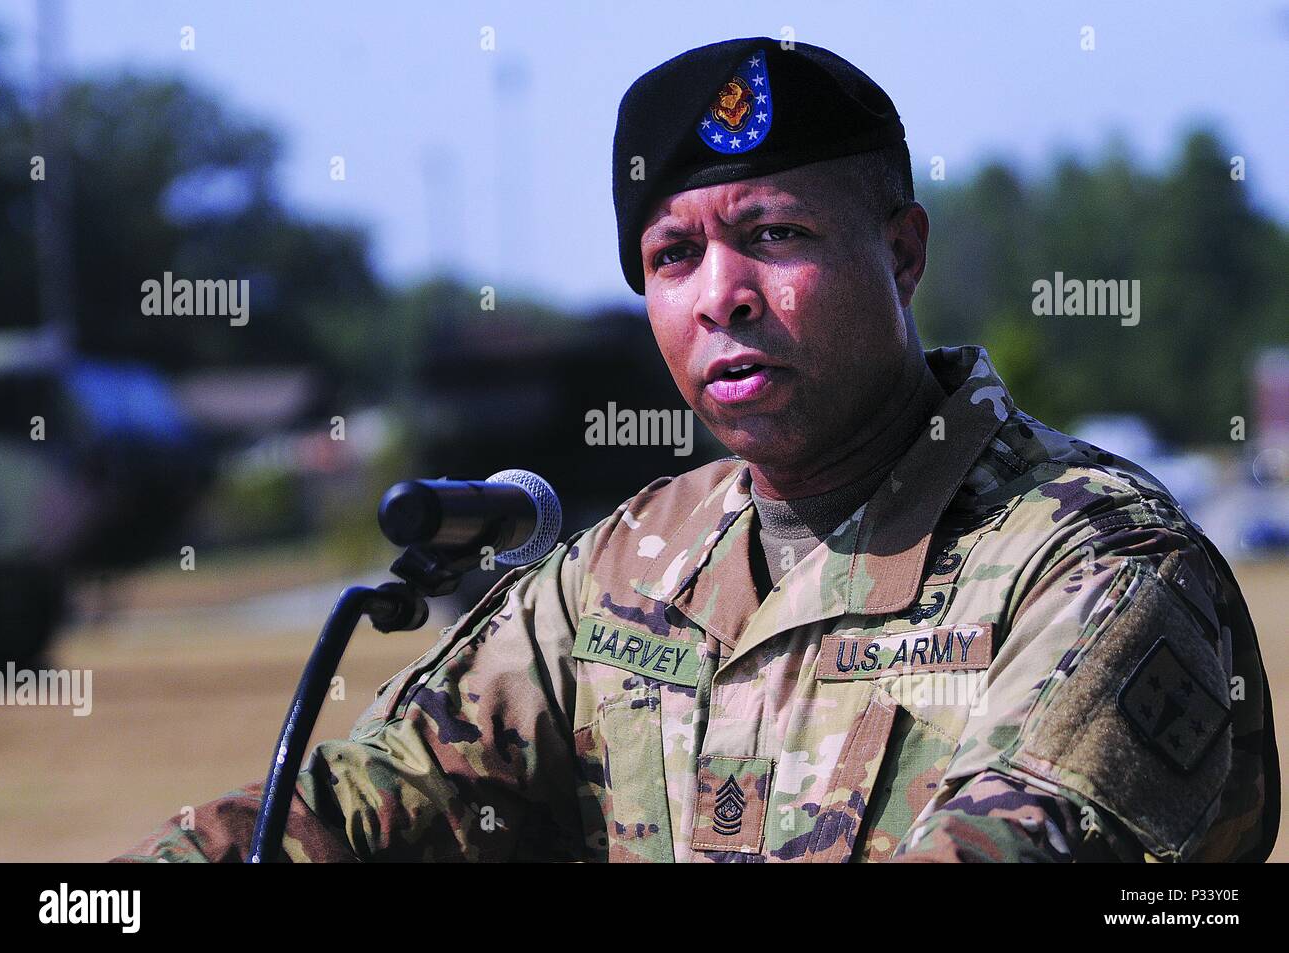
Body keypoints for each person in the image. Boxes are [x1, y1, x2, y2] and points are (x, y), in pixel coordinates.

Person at [116, 36, 1278, 863]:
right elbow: (383, 793)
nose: (721, 294)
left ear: (903, 252)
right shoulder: (624, 567)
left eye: (772, 235)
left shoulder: (1091, 564)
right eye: (672, 257)